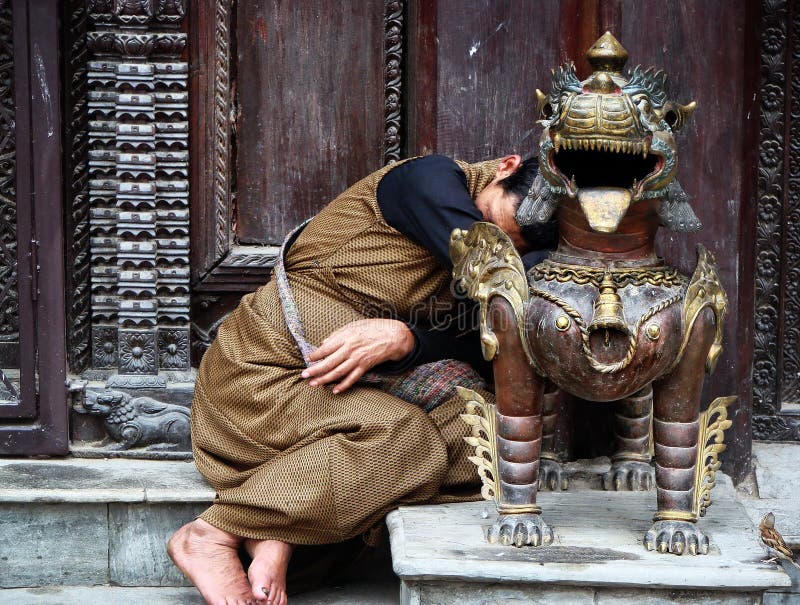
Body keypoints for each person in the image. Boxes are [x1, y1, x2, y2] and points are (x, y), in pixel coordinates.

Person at [168, 153, 556, 605]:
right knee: (407, 438)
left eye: (520, 251)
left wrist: (407, 339)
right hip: (265, 381)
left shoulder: (522, 250)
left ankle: (276, 532)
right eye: (488, 218)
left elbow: (479, 340)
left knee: (484, 444)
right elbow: (490, 267)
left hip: (357, 396)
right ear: (504, 168)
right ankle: (213, 533)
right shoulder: (428, 181)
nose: (504, 252)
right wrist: (523, 274)